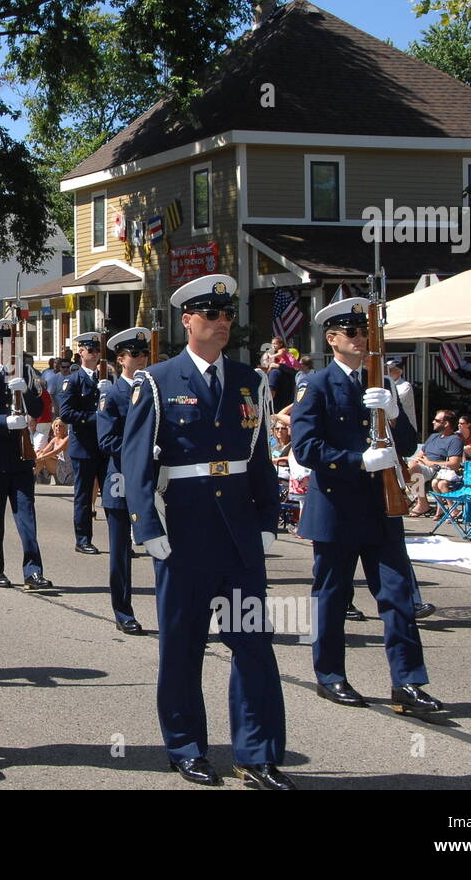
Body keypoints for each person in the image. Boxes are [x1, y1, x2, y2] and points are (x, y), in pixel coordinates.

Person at [121, 274, 292, 790]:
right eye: (210, 315)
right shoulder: (156, 382)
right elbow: (136, 466)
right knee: (183, 646)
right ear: (187, 320)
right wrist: (146, 527)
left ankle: (257, 755)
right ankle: (186, 748)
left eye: (227, 315)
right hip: (184, 534)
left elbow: (259, 457)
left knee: (253, 644)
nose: (222, 324)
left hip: (239, 536)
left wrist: (268, 518)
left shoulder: (250, 381)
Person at [290, 297, 443, 717]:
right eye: (354, 332)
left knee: (396, 596)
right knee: (333, 597)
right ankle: (330, 675)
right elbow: (305, 448)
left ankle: (408, 682)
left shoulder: (382, 383)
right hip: (337, 506)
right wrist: (358, 460)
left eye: (367, 332)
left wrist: (393, 413)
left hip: (381, 506)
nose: (363, 339)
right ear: (333, 339)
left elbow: (410, 444)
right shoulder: (316, 384)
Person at [0, 318, 50, 590]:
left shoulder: (25, 372)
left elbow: (38, 411)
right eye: (2, 342)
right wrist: (4, 422)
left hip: (20, 456)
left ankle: (33, 571)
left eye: (12, 342)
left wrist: (26, 392)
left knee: (27, 516)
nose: (8, 347)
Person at [96, 326, 151, 634]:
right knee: (121, 553)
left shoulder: (154, 389)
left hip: (154, 480)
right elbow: (107, 441)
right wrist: (143, 449)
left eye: (145, 353)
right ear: (121, 360)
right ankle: (123, 611)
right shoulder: (113, 394)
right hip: (121, 479)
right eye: (136, 354)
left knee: (163, 548)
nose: (142, 358)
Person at [56, 332, 107, 554]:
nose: (95, 354)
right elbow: (66, 413)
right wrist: (96, 416)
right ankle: (83, 538)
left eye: (97, 350)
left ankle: (120, 540)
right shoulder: (73, 380)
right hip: (85, 446)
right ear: (81, 353)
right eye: (90, 350)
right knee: (85, 496)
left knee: (114, 496)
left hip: (104, 446)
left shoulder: (105, 378)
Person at [407, 410, 463, 516]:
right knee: (400, 467)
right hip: (423, 465)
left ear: (446, 423)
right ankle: (405, 500)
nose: (433, 422)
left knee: (412, 466)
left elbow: (454, 463)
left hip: (438, 470)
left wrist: (429, 463)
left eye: (437, 420)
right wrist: (420, 460)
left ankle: (422, 504)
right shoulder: (433, 437)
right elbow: (420, 454)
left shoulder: (454, 440)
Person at [34, 418, 72, 485]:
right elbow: (44, 451)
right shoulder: (54, 439)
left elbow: (55, 452)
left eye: (61, 425)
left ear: (65, 428)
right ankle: (32, 475)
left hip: (65, 468)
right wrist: (38, 454)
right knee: (40, 454)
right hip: (58, 464)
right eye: (56, 426)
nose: (58, 427)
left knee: (44, 459)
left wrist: (40, 457)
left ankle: (31, 477)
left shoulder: (67, 439)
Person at [387, 359, 417, 434]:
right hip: (392, 427)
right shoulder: (387, 385)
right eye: (386, 370)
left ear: (399, 372)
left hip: (406, 426)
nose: (387, 373)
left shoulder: (405, 386)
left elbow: (394, 402)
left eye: (390, 371)